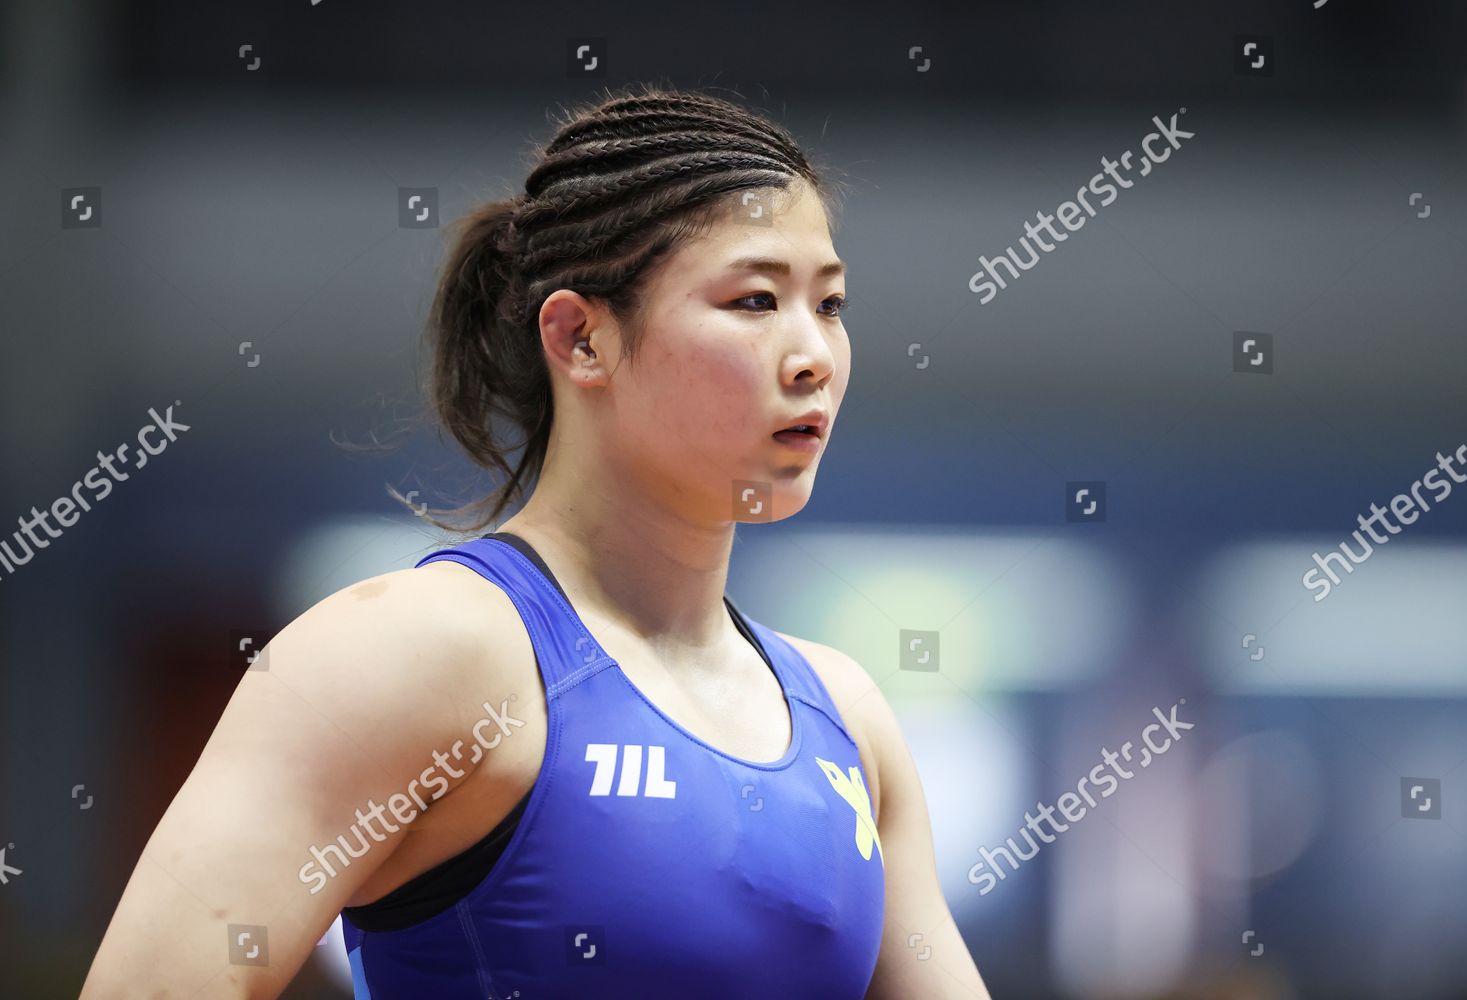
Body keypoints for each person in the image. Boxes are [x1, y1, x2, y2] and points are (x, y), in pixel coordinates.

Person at [82, 84, 989, 999]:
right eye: (755, 300)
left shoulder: (848, 720)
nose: (814, 357)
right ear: (581, 337)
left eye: (829, 306)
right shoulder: (415, 652)